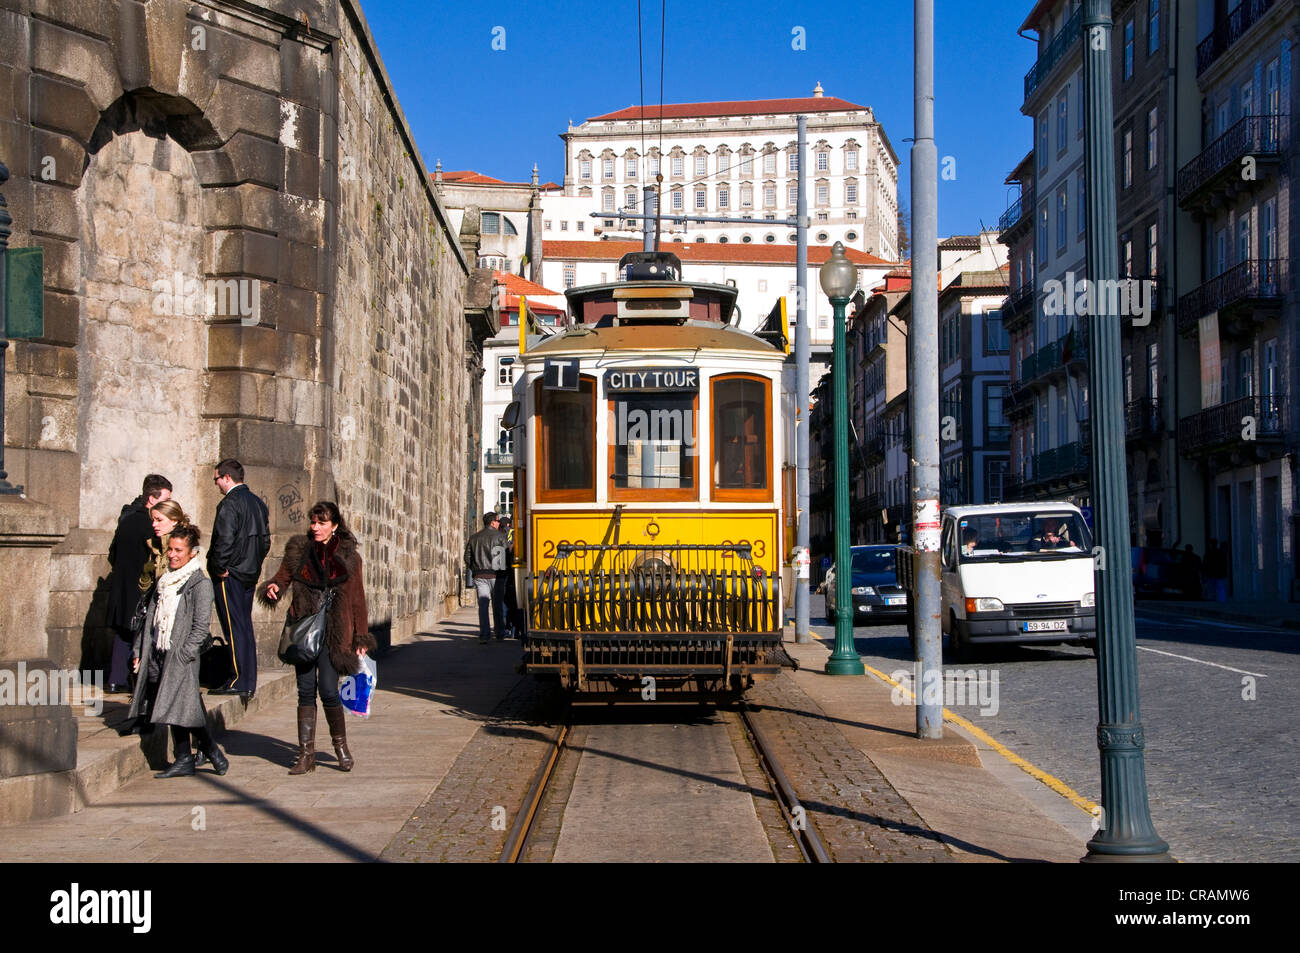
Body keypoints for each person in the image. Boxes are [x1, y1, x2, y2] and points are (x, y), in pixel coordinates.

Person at [259, 501, 375, 774]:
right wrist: (273, 588)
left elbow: (358, 599)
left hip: (334, 631)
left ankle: (341, 747)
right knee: (305, 689)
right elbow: (282, 578)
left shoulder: (350, 556)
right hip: (305, 628)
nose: (316, 528)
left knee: (328, 689)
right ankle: (305, 754)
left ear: (334, 525)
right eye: (313, 522)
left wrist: (361, 638)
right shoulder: (299, 549)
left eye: (322, 523)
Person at [127, 524, 229, 777]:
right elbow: (151, 616)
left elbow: (200, 625)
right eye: (170, 549)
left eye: (178, 550)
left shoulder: (200, 584)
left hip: (181, 655)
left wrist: (185, 654)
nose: (172, 554)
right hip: (160, 651)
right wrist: (141, 648)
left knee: (182, 707)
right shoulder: (164, 581)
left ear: (192, 553)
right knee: (179, 707)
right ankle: (196, 755)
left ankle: (200, 754)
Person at [105, 474, 173, 693]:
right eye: (165, 499)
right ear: (152, 499)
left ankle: (116, 679)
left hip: (121, 583)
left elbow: (112, 552)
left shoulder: (126, 516)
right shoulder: (150, 523)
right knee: (140, 633)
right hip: (140, 584)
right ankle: (139, 681)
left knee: (123, 632)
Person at [208, 459, 270, 698]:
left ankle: (238, 679)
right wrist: (252, 565)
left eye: (216, 479)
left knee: (234, 627)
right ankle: (247, 679)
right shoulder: (257, 503)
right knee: (243, 625)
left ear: (226, 477)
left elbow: (224, 540)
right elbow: (265, 541)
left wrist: (219, 566)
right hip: (248, 573)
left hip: (231, 574)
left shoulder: (230, 504)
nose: (216, 485)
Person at [465, 512, 508, 643]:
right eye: (497, 520)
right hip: (497, 574)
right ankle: (499, 633)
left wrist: (475, 569)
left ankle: (484, 634)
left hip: (480, 574)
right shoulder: (500, 536)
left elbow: (467, 557)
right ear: (493, 522)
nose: (499, 523)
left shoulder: (474, 538)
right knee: (497, 605)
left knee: (483, 605)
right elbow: (504, 557)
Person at [498, 516, 522, 639]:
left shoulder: (500, 536)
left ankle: (506, 627)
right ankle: (514, 629)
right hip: (513, 572)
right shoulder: (518, 535)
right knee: (515, 602)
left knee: (505, 601)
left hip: (504, 572)